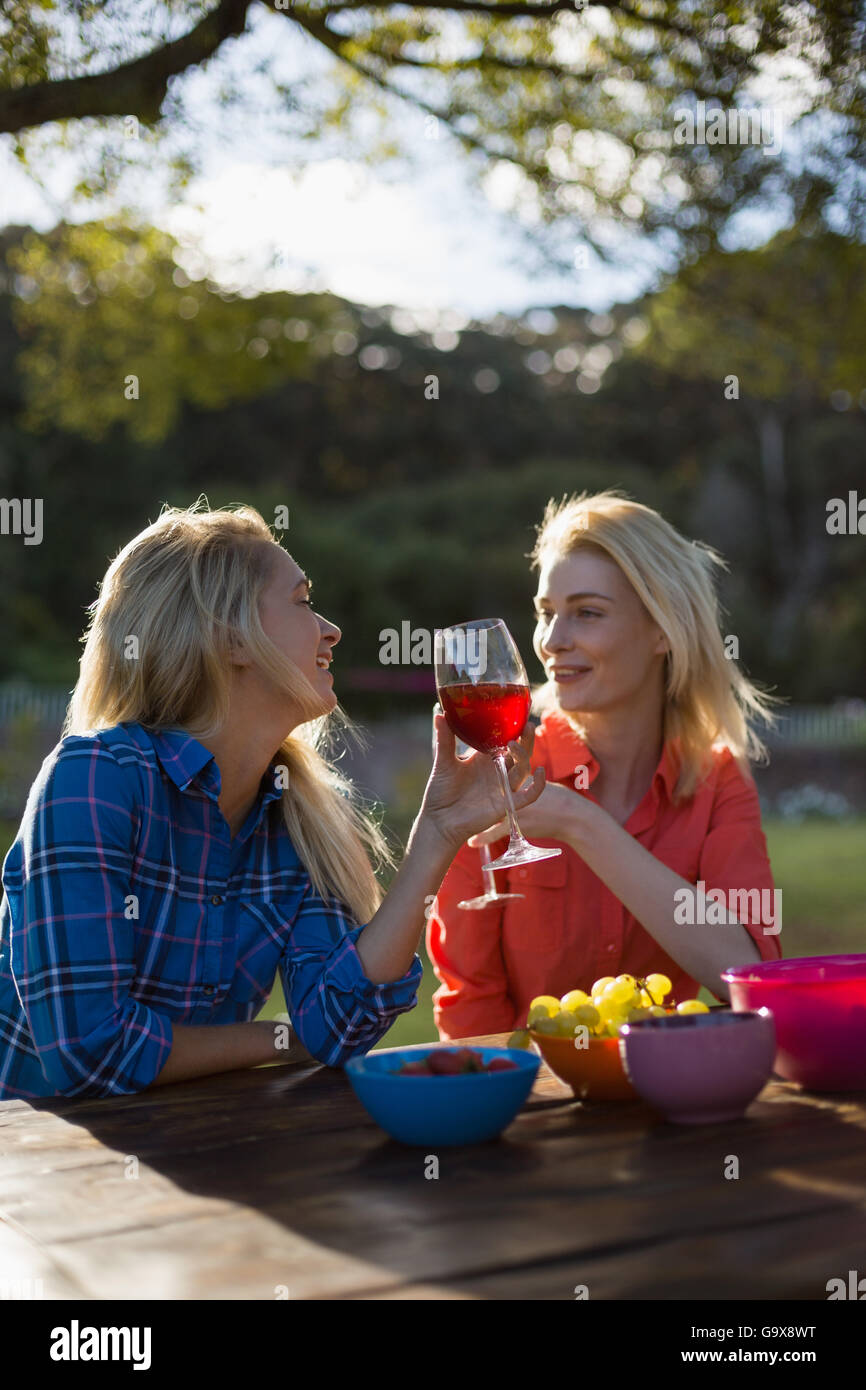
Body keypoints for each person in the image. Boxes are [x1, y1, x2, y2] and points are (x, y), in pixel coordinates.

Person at [0, 500, 543, 1100]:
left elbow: (338, 1027)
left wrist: (437, 835)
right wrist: (281, 1039)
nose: (331, 630)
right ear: (232, 637)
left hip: (189, 1155)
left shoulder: (295, 812)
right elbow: (88, 1051)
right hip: (35, 1166)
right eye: (304, 602)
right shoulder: (95, 779)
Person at [426, 489, 784, 1040]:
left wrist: (581, 822)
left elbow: (751, 977)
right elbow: (470, 1003)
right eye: (546, 614)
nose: (551, 641)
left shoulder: (717, 780)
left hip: (673, 1097)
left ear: (663, 630)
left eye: (587, 614)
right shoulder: (501, 772)